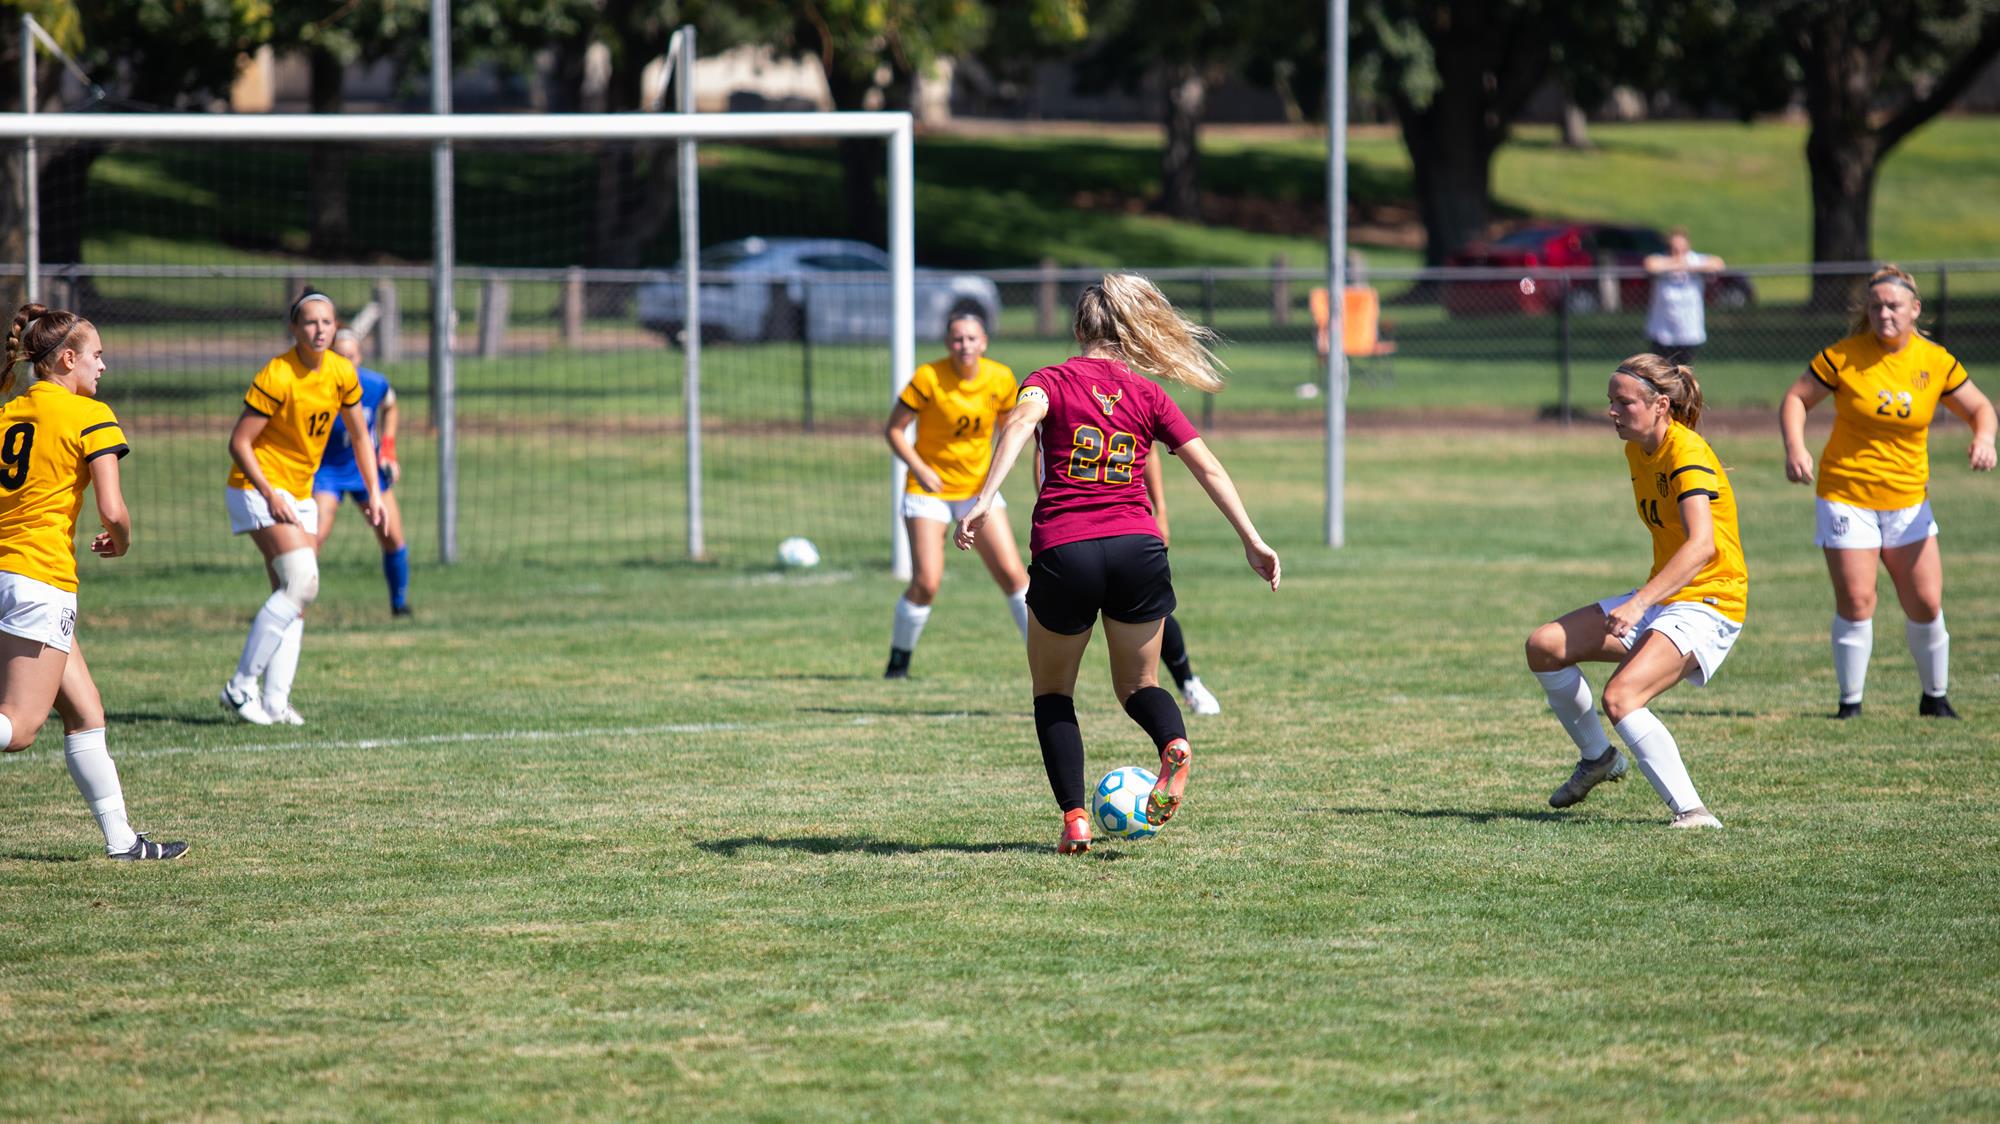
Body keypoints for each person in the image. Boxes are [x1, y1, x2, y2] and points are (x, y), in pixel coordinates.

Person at [955, 273, 1280, 854]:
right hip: (1138, 546)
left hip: (1066, 550)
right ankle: (1172, 744)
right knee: (1139, 686)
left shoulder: (1047, 381)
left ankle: (1076, 818)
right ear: (1128, 331)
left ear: (1078, 328)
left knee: (1053, 693)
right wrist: (1252, 538)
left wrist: (983, 500)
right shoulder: (1148, 393)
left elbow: (1020, 423)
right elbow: (1206, 466)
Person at [1524, 353, 1743, 830]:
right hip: (1668, 598)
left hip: (1711, 601)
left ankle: (1694, 813)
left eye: (1623, 402)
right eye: (1610, 402)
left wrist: (1640, 602)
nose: (1612, 412)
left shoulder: (1686, 452)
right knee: (1544, 646)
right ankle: (1598, 759)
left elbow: (1702, 547)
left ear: (1660, 404)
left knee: (1621, 697)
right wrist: (1649, 600)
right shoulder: (1637, 450)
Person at [0, 303, 186, 859]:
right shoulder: (90, 415)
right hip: (37, 578)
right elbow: (113, 509)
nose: (103, 366)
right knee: (21, 725)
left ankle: (123, 841)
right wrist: (122, 540)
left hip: (7, 573)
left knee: (85, 713)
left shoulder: (9, 412)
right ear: (67, 359)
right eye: (97, 355)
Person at [1779, 264, 1995, 719]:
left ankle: (1935, 697)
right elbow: (1797, 398)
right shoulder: (1843, 356)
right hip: (1846, 494)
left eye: (1893, 305)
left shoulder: (1935, 361)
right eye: (1875, 306)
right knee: (1858, 600)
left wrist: (1984, 437)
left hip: (1908, 499)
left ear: (1914, 309)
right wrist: (1796, 447)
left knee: (1926, 601)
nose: (1884, 313)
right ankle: (1849, 704)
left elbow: (1979, 406)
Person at [221, 288, 384, 726]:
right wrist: (271, 494)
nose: (319, 330)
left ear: (336, 326)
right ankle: (240, 686)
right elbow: (239, 443)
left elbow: (363, 437)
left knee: (295, 595)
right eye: (310, 322)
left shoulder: (340, 373)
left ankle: (274, 701)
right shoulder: (278, 374)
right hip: (257, 489)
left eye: (327, 322)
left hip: (299, 492)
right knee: (302, 582)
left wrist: (374, 492)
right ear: (294, 328)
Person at [881, 310, 1030, 678]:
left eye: (972, 338)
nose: (965, 345)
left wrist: (996, 474)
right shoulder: (929, 377)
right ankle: (899, 662)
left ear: (984, 342)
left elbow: (1011, 430)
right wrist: (919, 467)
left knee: (1014, 575)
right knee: (927, 581)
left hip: (978, 493)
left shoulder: (1000, 377)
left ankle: (1043, 660)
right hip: (928, 491)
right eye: (957, 338)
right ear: (948, 343)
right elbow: (894, 430)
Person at [313, 328, 411, 616]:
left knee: (391, 534)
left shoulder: (373, 384)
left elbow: (390, 406)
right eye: (339, 356)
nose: (346, 363)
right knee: (315, 536)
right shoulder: (316, 387)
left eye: (351, 356)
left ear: (360, 357)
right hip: (326, 471)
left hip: (364, 468)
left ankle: (399, 605)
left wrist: (388, 450)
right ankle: (294, 604)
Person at [1142, 451, 1221, 716]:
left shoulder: (1138, 407)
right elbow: (1042, 449)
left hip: (1127, 521)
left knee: (1153, 611)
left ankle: (1187, 682)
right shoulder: (1056, 407)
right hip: (1073, 524)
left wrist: (1160, 510)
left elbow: (1150, 449)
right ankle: (1056, 695)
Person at [1643, 228, 1724, 365]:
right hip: (1662, 329)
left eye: (1681, 247)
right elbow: (1650, 265)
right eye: (1674, 247)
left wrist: (1687, 266)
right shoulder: (1662, 259)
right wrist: (1675, 264)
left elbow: (1718, 263)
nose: (1678, 251)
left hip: (1689, 328)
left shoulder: (1695, 259)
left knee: (1683, 371)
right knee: (1660, 371)